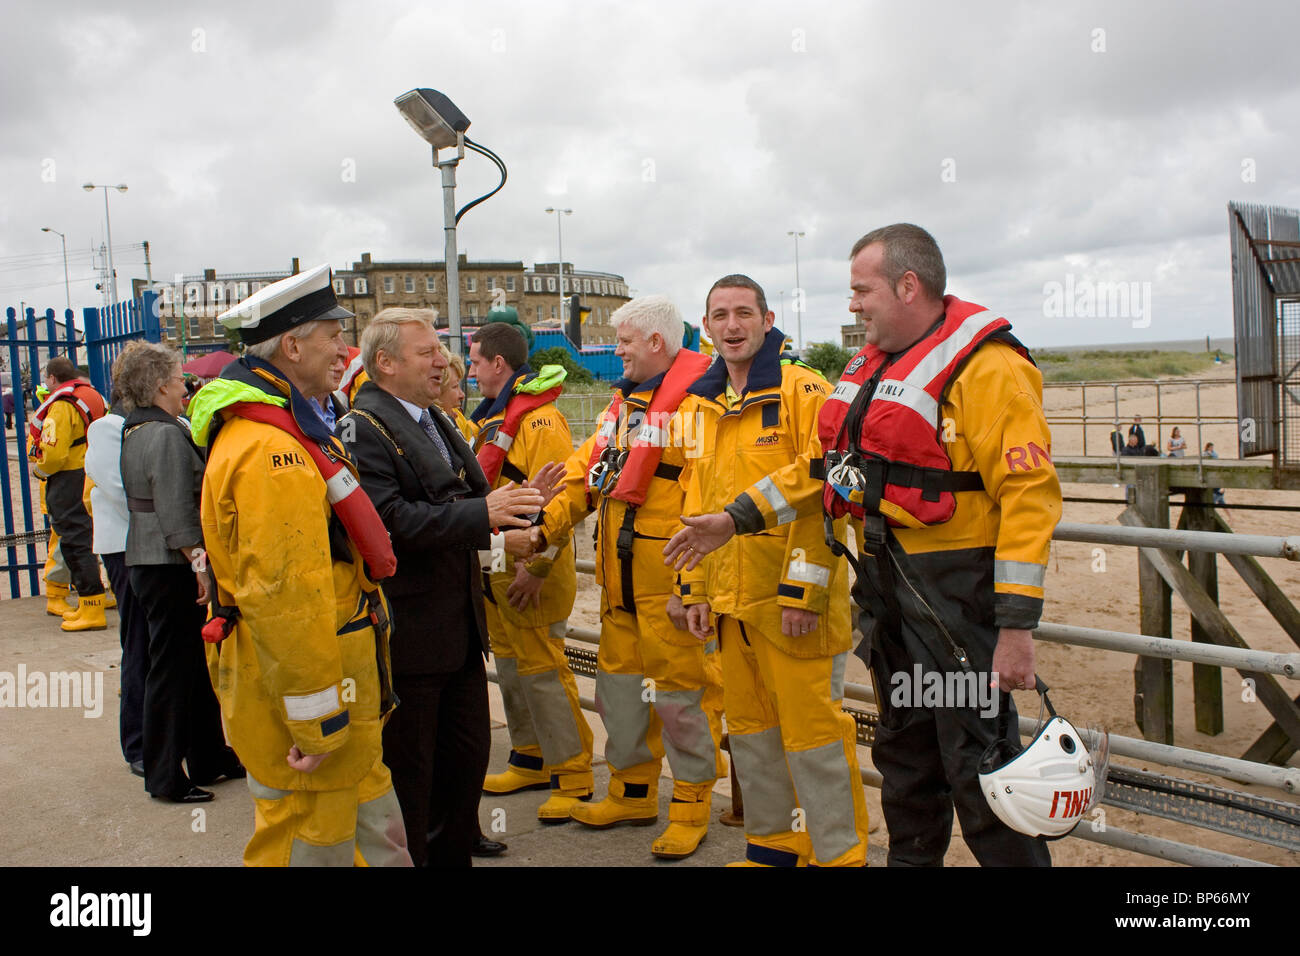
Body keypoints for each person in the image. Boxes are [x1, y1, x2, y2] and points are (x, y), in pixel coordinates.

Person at [666, 224, 1060, 866]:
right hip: (887, 591)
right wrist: (733, 519)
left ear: (908, 286)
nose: (852, 305)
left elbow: (1029, 495)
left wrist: (1016, 627)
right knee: (904, 757)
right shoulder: (875, 369)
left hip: (955, 600)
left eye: (861, 290)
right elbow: (822, 470)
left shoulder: (990, 371)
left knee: (979, 763)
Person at [193, 264, 411, 866]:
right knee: (310, 837)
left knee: (367, 822)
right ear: (291, 346)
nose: (344, 347)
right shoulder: (272, 451)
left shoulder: (285, 428)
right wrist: (316, 725)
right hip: (317, 703)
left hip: (341, 692)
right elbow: (286, 597)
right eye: (330, 335)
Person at [518, 294, 725, 860]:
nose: (617, 350)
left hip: (670, 589)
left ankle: (690, 805)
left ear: (657, 343)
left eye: (625, 341)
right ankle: (633, 793)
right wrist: (543, 531)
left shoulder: (697, 409)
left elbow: (709, 503)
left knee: (683, 701)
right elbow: (585, 477)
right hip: (620, 591)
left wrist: (694, 589)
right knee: (620, 695)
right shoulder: (625, 410)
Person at [676, 275, 869, 867]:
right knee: (753, 731)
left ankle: (839, 856)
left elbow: (823, 494)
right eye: (719, 316)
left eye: (743, 313)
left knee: (814, 735)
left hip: (790, 602)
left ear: (767, 319)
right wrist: (695, 588)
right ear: (706, 327)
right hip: (731, 605)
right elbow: (694, 502)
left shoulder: (805, 391)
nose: (731, 326)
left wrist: (802, 595)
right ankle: (773, 848)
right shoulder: (696, 405)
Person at [340, 308, 544, 866]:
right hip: (411, 636)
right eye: (427, 351)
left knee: (464, 763)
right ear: (385, 363)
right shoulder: (364, 426)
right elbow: (388, 523)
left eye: (441, 348)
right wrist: (485, 514)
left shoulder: (437, 418)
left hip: (457, 631)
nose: (443, 360)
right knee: (415, 774)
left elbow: (454, 503)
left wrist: (500, 536)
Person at [467, 323, 594, 823]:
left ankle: (575, 773)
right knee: (514, 667)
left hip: (530, 570)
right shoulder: (493, 419)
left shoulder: (540, 423)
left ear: (499, 364)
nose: (472, 371)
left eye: (475, 362)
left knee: (543, 671)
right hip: (499, 568)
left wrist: (538, 568)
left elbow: (561, 502)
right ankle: (530, 756)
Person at [116, 342, 241, 802]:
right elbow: (176, 512)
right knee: (170, 672)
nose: (184, 386)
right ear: (160, 384)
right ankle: (166, 775)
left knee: (188, 668)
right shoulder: (166, 435)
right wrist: (201, 567)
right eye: (177, 378)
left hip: (152, 560)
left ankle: (209, 757)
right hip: (169, 564)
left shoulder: (139, 429)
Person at [83, 383, 147, 777]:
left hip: (153, 545)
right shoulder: (107, 427)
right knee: (139, 642)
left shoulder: (160, 421)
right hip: (126, 547)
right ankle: (137, 742)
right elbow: (120, 488)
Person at [28, 356, 107, 630]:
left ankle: (91, 605)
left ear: (52, 379)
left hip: (68, 476)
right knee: (89, 537)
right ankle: (91, 601)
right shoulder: (93, 395)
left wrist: (40, 471)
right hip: (92, 472)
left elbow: (53, 452)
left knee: (73, 541)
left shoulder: (62, 405)